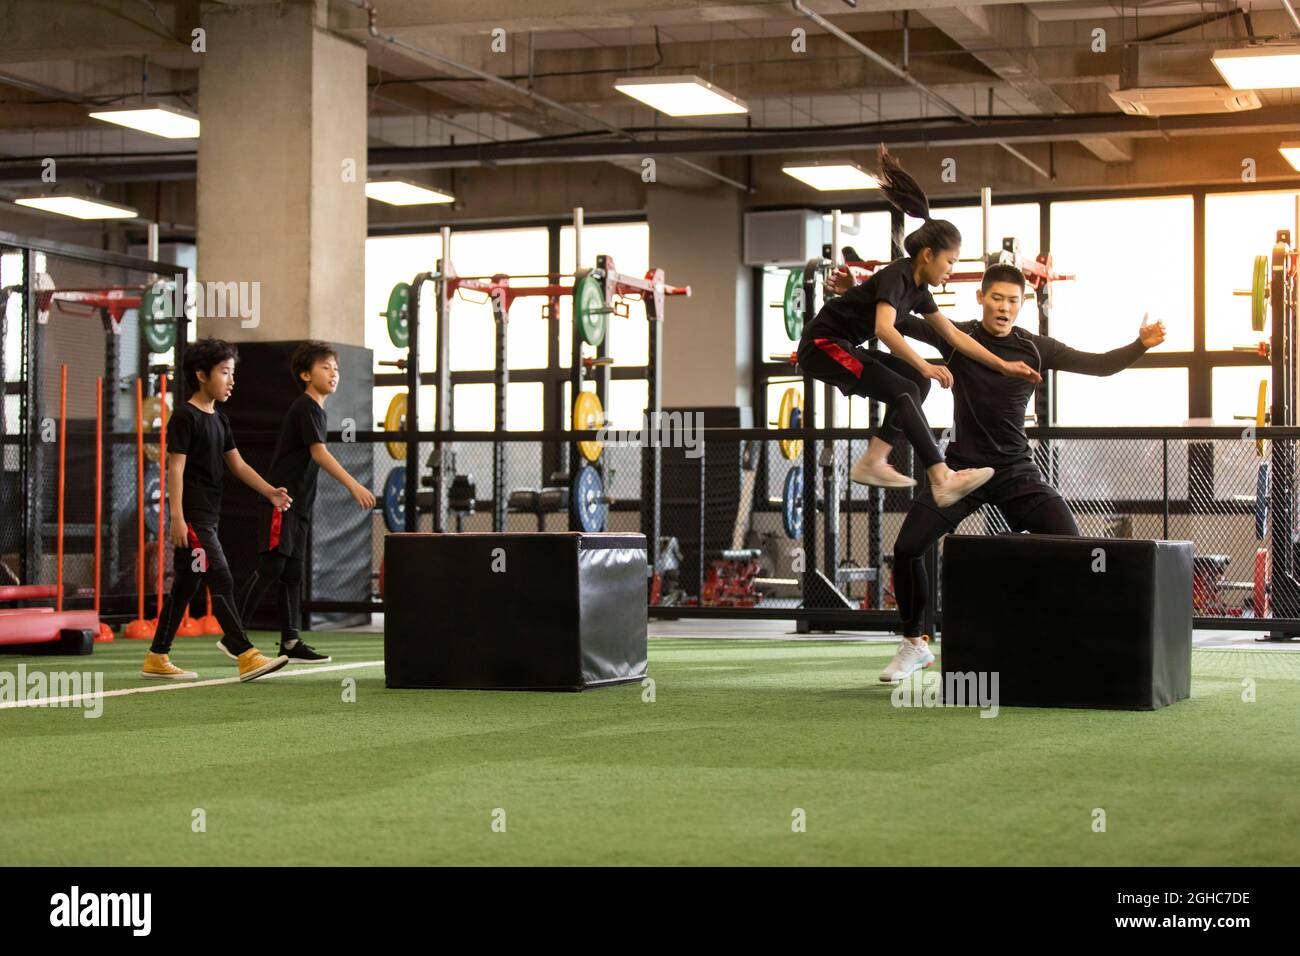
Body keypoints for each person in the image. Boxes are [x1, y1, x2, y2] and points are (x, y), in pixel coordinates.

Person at [876, 263, 1165, 681]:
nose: (1004, 307)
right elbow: (898, 319)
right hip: (960, 470)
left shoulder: (1035, 347)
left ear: (1023, 304)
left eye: (1013, 300)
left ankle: (1065, 639)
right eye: (996, 298)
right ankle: (914, 643)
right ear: (981, 298)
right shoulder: (957, 336)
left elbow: (1100, 365)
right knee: (907, 548)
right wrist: (861, 291)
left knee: (1073, 547)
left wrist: (1140, 344)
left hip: (1015, 470)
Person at [798, 144, 1042, 509]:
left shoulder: (918, 288)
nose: (952, 270)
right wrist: (924, 363)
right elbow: (884, 329)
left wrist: (1004, 365)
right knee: (911, 381)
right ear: (928, 256)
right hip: (822, 346)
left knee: (916, 386)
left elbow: (954, 335)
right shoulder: (898, 276)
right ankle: (940, 475)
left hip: (845, 346)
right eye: (950, 261)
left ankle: (874, 459)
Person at [140, 337, 293, 682]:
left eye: (232, 373)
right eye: (224, 372)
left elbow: (237, 466)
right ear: (201, 375)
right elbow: (174, 468)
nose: (231, 380)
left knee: (185, 587)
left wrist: (270, 492)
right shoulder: (184, 417)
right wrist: (177, 518)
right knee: (220, 576)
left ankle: (156, 656)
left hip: (208, 516)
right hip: (193, 519)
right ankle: (245, 654)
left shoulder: (220, 420)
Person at [232, 341, 376, 664]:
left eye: (336, 368)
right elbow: (319, 453)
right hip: (280, 501)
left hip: (299, 505)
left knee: (293, 571)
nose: (333, 373)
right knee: (273, 566)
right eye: (325, 367)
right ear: (305, 374)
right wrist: (354, 485)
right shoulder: (306, 407)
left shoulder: (317, 410)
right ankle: (234, 633)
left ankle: (290, 642)